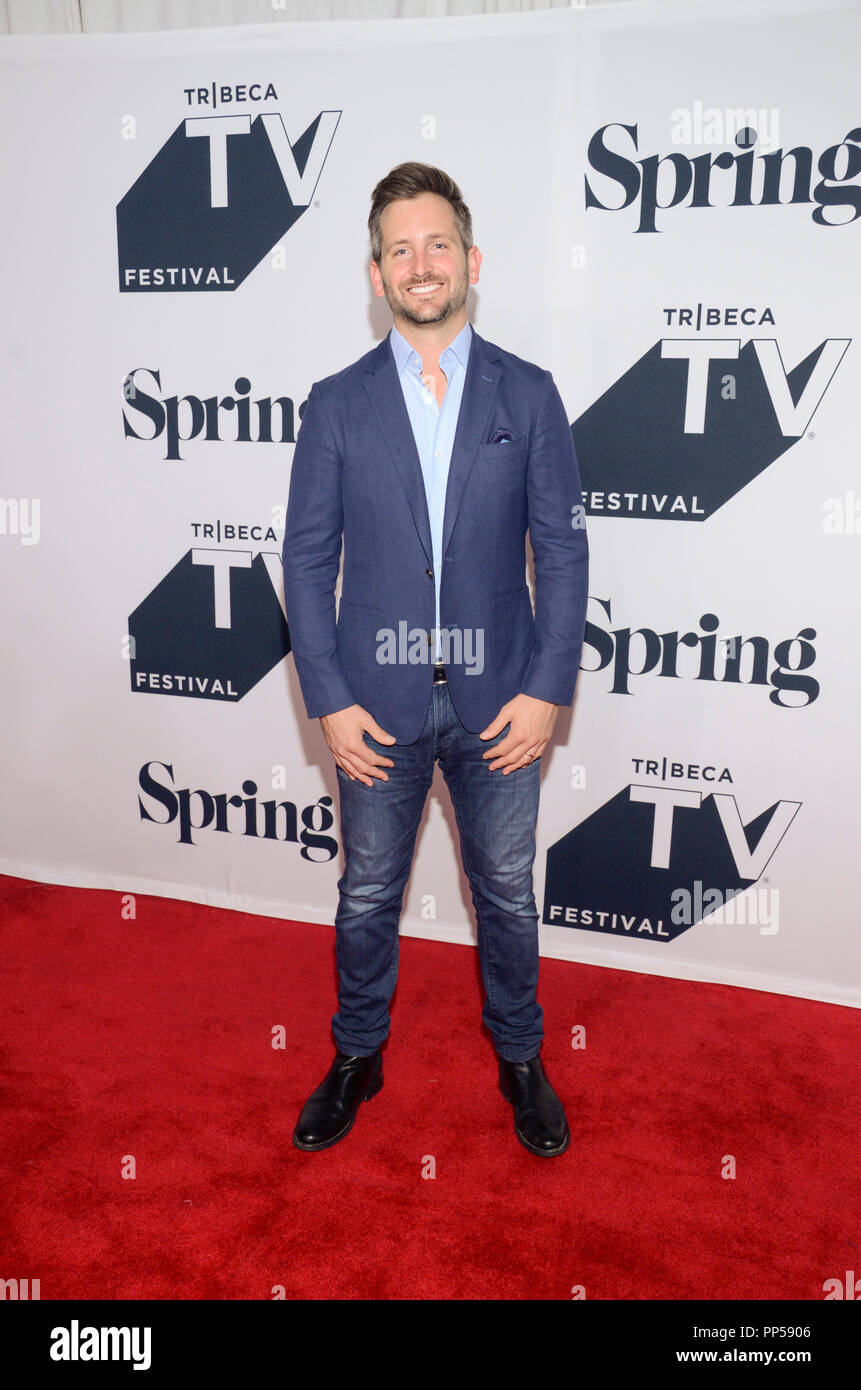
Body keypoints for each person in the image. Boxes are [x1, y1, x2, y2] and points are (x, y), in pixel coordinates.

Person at [282, 162, 588, 1157]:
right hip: (374, 704)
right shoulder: (333, 404)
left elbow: (566, 548)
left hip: (504, 701)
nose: (422, 265)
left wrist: (548, 687)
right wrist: (326, 698)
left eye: (438, 244)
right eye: (401, 249)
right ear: (376, 274)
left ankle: (522, 1056)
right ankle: (357, 1053)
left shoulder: (531, 396)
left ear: (472, 261)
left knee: (506, 892)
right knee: (367, 891)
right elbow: (306, 557)